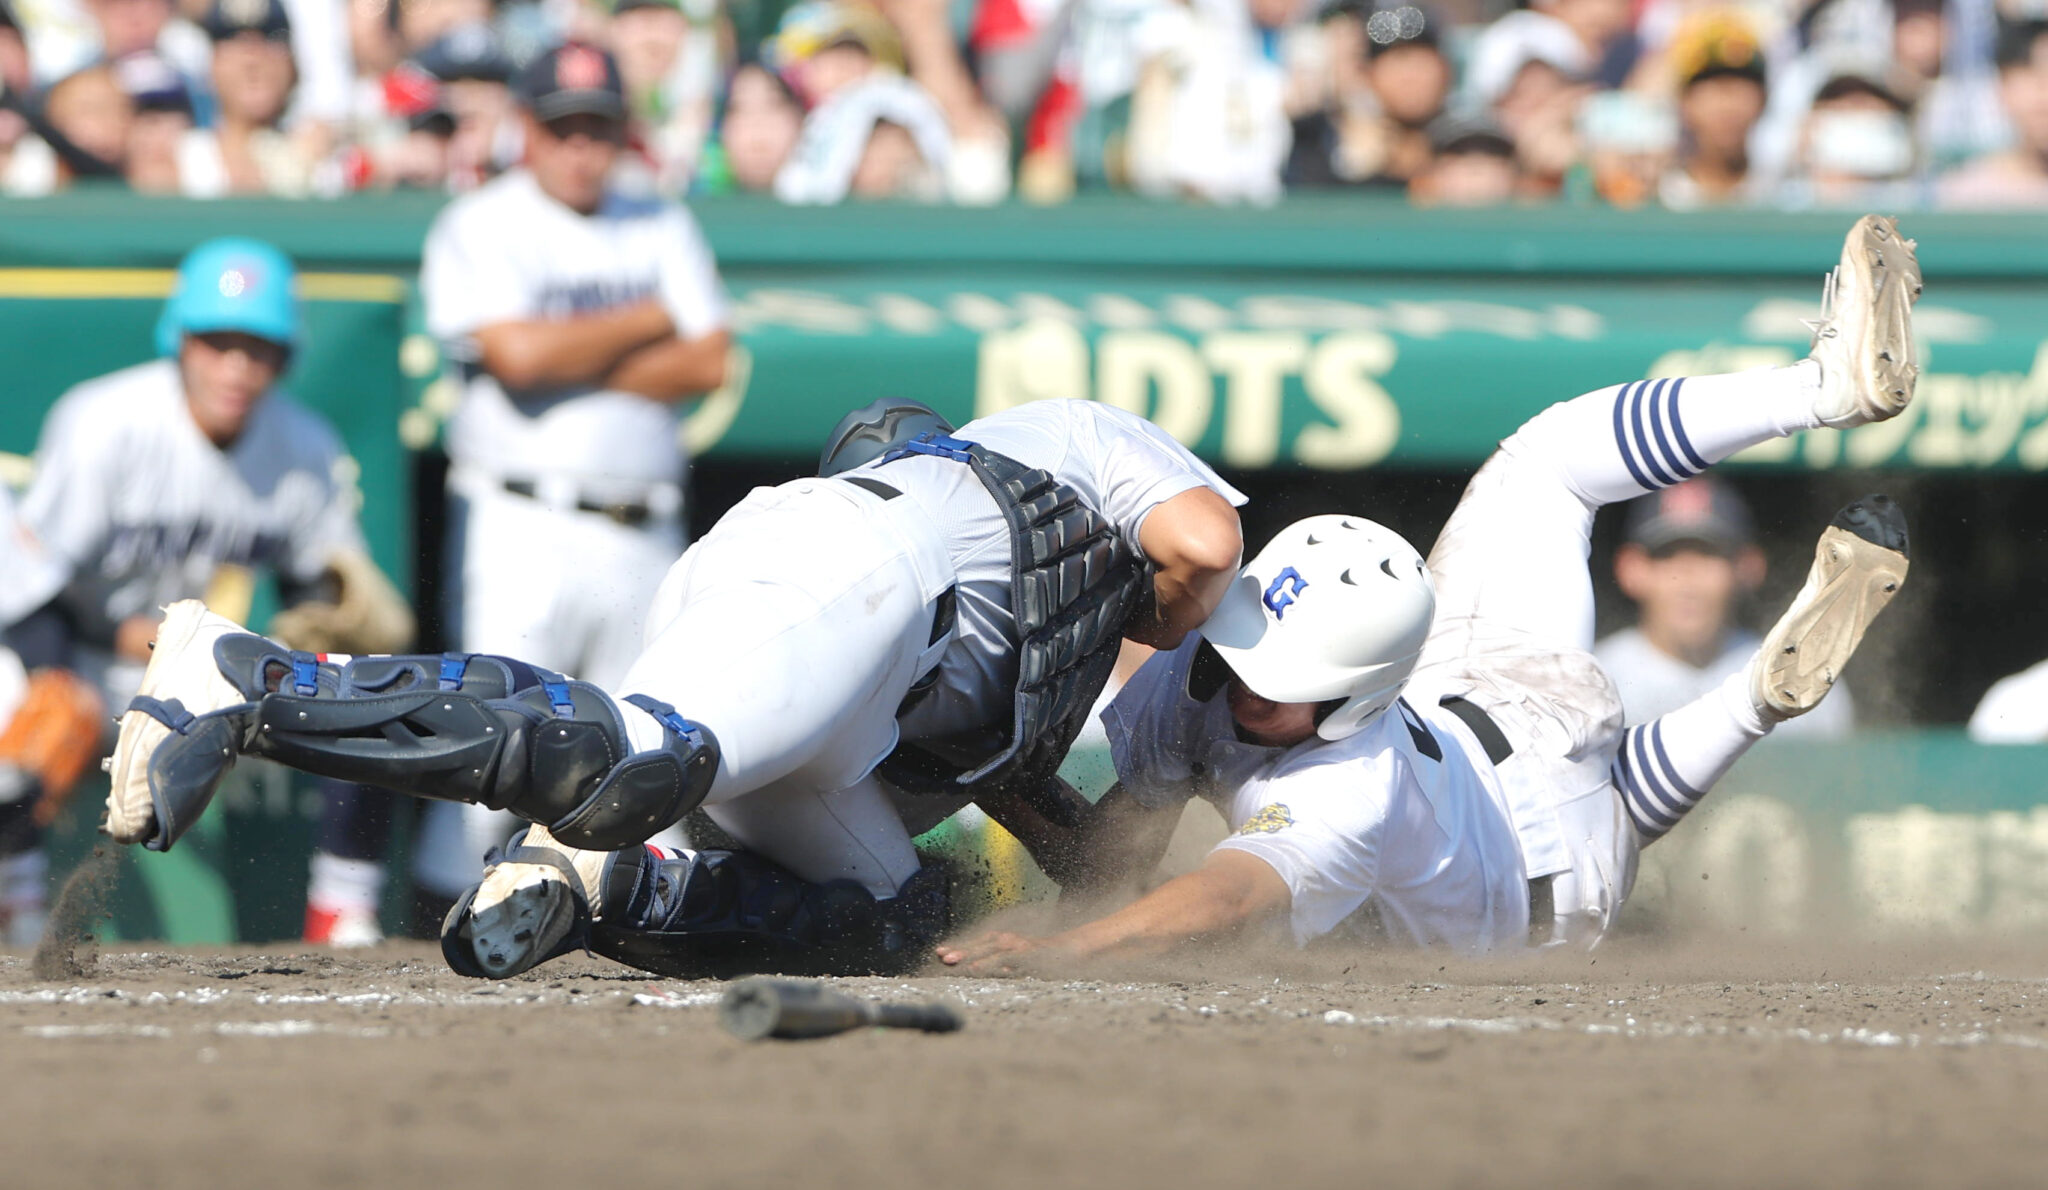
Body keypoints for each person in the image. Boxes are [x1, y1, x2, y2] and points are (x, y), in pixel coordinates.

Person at [939, 214, 1920, 969]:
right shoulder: (1211, 665)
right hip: (1467, 691)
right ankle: (1766, 639)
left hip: (1546, 883)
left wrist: (1063, 946)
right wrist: (1006, 790)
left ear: (1346, 698)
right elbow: (1118, 853)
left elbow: (1226, 896)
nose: (1240, 683)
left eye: (1274, 679)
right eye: (1242, 653)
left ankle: (1767, 634)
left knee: (1613, 810)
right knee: (1543, 464)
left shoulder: (1344, 784)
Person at [101, 396, 1246, 981]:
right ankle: (249, 678)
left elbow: (1078, 852)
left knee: (898, 915)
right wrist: (1157, 627)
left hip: (850, 691)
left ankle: (597, 886)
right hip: (861, 575)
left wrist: (1154, 892)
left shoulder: (1025, 660)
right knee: (636, 761)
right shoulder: (1066, 441)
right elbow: (1201, 540)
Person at [298, 41, 733, 942]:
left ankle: (608, 930)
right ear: (527, 129)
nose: (581, 147)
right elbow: (518, 357)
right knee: (496, 740)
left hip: (644, 521)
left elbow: (710, 358)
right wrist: (648, 320)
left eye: (598, 128)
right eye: (564, 127)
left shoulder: (660, 221)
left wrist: (572, 347)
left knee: (638, 749)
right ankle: (435, 933)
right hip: (522, 516)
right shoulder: (483, 221)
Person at [15, 237, 413, 943]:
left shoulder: (305, 447)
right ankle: (15, 904)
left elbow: (316, 591)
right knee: (18, 700)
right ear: (181, 341)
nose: (235, 367)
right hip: (91, 656)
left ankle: (341, 910)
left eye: (257, 348)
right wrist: (64, 666)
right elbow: (29, 588)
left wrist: (330, 612)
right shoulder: (105, 422)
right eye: (216, 342)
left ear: (284, 358)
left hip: (220, 672)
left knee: (372, 702)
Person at [1595, 477, 1853, 737]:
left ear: (1747, 567)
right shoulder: (1594, 681)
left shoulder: (1798, 679)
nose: (1688, 579)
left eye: (1708, 555)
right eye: (1668, 556)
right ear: (1632, 569)